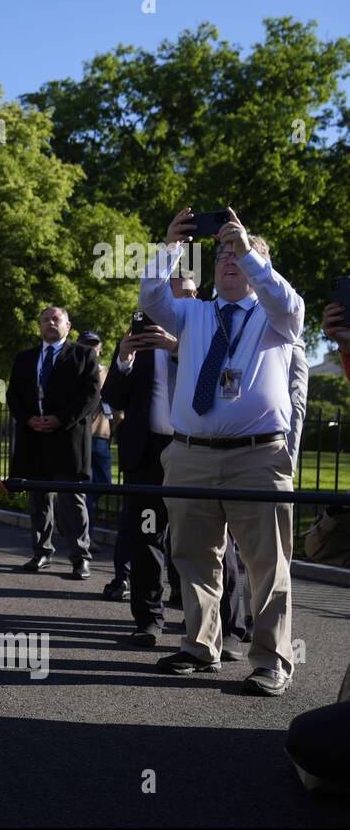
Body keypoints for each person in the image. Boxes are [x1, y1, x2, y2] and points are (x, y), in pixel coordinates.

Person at [142, 207, 303, 697]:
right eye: (223, 254)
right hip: (190, 454)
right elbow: (151, 296)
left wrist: (250, 253)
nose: (229, 259)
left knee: (266, 564)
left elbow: (287, 303)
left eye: (240, 253)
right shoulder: (193, 313)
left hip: (257, 457)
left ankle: (271, 659)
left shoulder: (276, 318)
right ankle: (199, 645)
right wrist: (170, 247)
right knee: (193, 557)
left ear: (259, 266)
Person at [102, 277, 195, 646]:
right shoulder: (138, 338)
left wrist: (177, 348)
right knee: (147, 538)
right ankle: (148, 622)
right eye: (174, 292)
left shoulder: (203, 333)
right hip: (146, 456)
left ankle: (208, 622)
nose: (180, 298)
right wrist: (124, 358)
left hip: (195, 453)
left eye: (188, 292)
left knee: (200, 541)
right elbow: (113, 396)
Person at [6, 306, 102, 580]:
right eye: (45, 319)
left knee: (72, 501)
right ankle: (41, 552)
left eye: (56, 319)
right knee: (38, 500)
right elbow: (13, 395)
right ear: (39, 326)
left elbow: (91, 394)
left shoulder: (83, 355)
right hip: (33, 438)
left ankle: (80, 557)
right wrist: (28, 419)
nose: (50, 323)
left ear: (68, 326)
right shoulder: (25, 358)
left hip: (67, 438)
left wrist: (60, 419)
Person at [76, 331, 114, 537]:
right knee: (87, 487)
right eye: (86, 344)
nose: (91, 348)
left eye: (94, 345)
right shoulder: (75, 370)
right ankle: (86, 536)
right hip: (82, 434)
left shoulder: (106, 371)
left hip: (102, 435)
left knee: (104, 484)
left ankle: (70, 513)